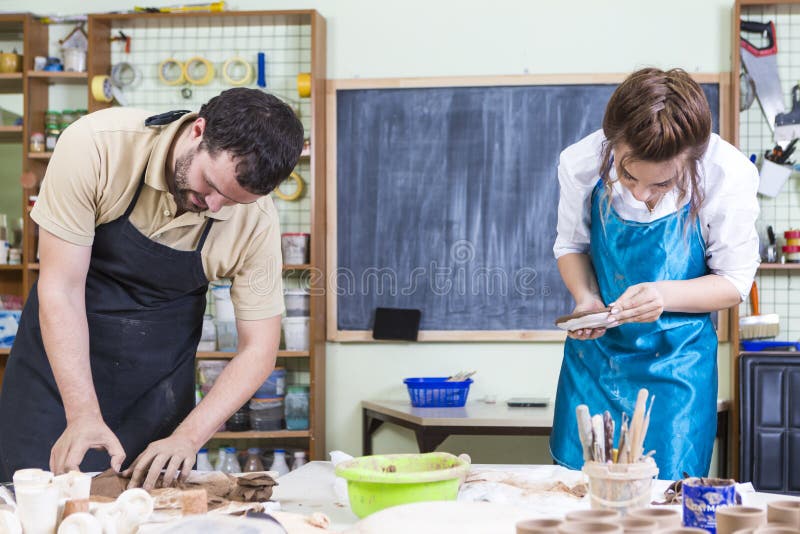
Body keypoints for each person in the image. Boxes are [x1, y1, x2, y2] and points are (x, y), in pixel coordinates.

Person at [0, 87, 303, 488]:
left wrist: (187, 437)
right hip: (56, 382)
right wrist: (83, 414)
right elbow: (61, 289)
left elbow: (259, 348)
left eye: (231, 202)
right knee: (35, 508)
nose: (213, 207)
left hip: (156, 395)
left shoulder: (256, 221)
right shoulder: (97, 147)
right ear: (199, 130)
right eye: (210, 185)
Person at [548, 68, 759, 479]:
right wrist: (587, 299)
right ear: (613, 145)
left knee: (665, 500)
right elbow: (570, 247)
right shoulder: (581, 163)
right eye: (628, 175)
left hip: (677, 369)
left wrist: (663, 295)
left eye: (661, 183)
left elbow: (734, 282)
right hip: (596, 364)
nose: (640, 193)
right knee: (577, 494)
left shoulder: (726, 174)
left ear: (691, 162)